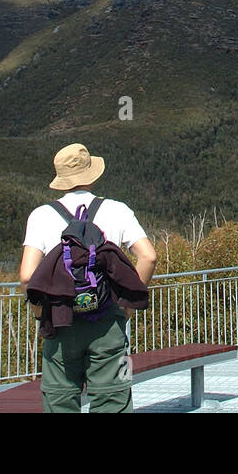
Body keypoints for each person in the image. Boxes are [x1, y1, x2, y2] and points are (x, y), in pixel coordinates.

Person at [19, 143, 157, 412]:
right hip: (108, 323)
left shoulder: (41, 216)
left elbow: (26, 276)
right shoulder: (118, 210)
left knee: (60, 399)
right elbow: (148, 257)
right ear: (92, 175)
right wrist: (125, 305)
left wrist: (41, 314)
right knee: (113, 399)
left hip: (60, 322)